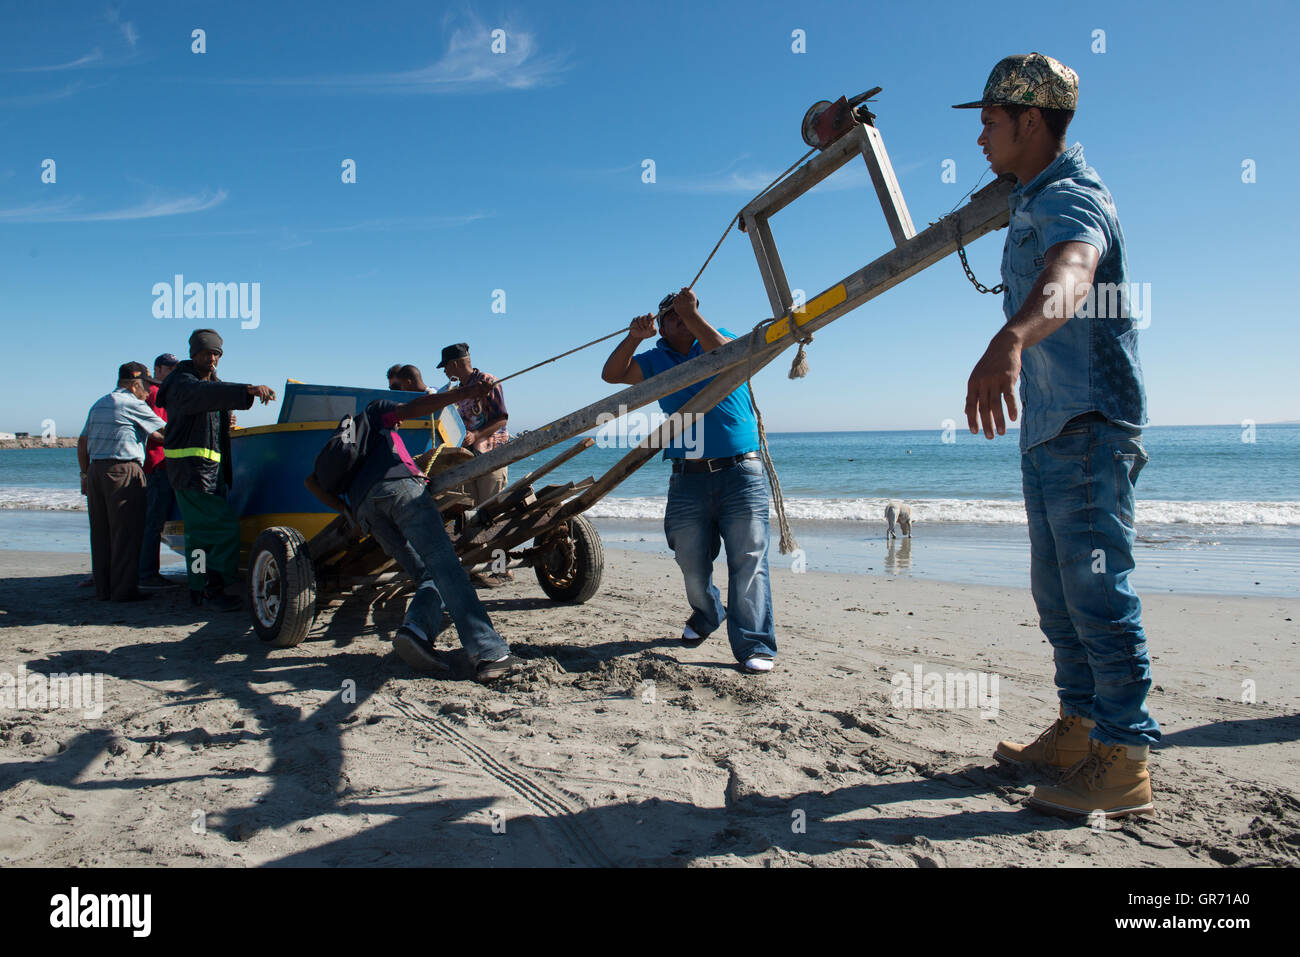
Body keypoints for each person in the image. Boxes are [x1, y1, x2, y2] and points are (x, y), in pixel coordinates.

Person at [955, 53, 1157, 818]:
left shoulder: (1075, 195)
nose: (979, 136)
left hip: (1090, 421)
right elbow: (993, 193)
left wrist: (1011, 338)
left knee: (1099, 594)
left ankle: (1126, 758)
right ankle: (1078, 731)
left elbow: (1072, 271)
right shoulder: (1028, 191)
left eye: (991, 122)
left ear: (1031, 122)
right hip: (1049, 426)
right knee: (1059, 597)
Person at [601, 288, 778, 674]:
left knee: (748, 559)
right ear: (661, 327)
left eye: (685, 312)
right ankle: (707, 613)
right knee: (691, 563)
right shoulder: (656, 358)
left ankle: (754, 645)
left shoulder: (719, 335)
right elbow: (612, 375)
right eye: (671, 315)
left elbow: (728, 357)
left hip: (741, 471)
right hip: (687, 476)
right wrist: (633, 336)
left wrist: (693, 315)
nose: (679, 318)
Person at [304, 382, 525, 683]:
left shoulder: (345, 446)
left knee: (428, 575)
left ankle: (416, 631)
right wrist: (464, 393)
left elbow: (312, 483)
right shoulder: (374, 412)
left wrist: (349, 512)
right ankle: (489, 653)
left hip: (368, 513)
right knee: (447, 567)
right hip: (399, 490)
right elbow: (416, 408)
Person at [156, 329, 277, 612]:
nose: (212, 359)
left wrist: (225, 420)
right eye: (206, 353)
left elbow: (209, 402)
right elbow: (201, 395)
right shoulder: (182, 383)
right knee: (224, 527)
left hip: (206, 471)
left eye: (216, 354)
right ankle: (217, 586)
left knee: (198, 536)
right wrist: (246, 390)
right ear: (193, 354)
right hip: (192, 472)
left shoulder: (209, 383)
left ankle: (199, 587)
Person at [77, 363, 166, 602]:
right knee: (127, 531)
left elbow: (82, 442)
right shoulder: (133, 403)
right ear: (135, 384)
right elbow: (166, 432)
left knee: (101, 532)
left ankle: (104, 589)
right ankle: (124, 591)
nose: (148, 393)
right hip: (123, 470)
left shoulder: (100, 403)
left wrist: (84, 475)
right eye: (146, 386)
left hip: (96, 471)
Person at [437, 343, 509, 504]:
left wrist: (476, 435)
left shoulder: (487, 381)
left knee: (491, 508)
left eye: (445, 367)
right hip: (467, 459)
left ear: (454, 364)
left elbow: (502, 418)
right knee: (469, 508)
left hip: (491, 455)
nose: (444, 372)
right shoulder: (456, 391)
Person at [138, 353, 180, 589]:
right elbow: (151, 429)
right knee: (153, 521)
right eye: (170, 367)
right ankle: (146, 573)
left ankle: (145, 571)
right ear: (158, 369)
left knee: (158, 519)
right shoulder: (152, 394)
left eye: (176, 367)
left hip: (168, 462)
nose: (174, 371)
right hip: (157, 463)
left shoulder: (167, 393)